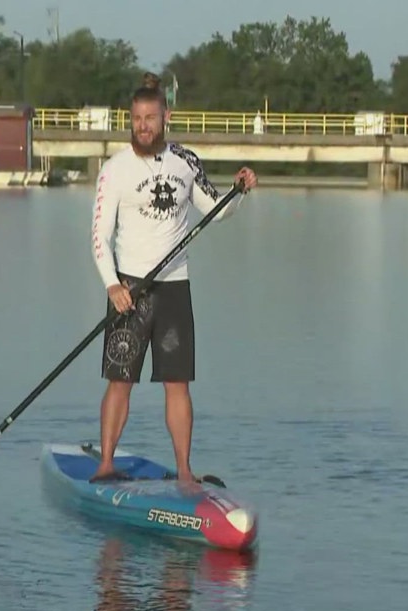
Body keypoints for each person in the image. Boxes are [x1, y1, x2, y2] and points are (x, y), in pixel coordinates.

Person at [89, 72, 258, 484]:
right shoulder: (115, 169)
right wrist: (112, 284)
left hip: (174, 288)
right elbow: (99, 236)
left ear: (166, 116)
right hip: (129, 288)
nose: (142, 126)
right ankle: (106, 464)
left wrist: (239, 191)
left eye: (150, 118)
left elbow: (216, 209)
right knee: (120, 381)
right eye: (136, 119)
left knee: (177, 384)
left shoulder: (185, 161)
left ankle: (184, 471)